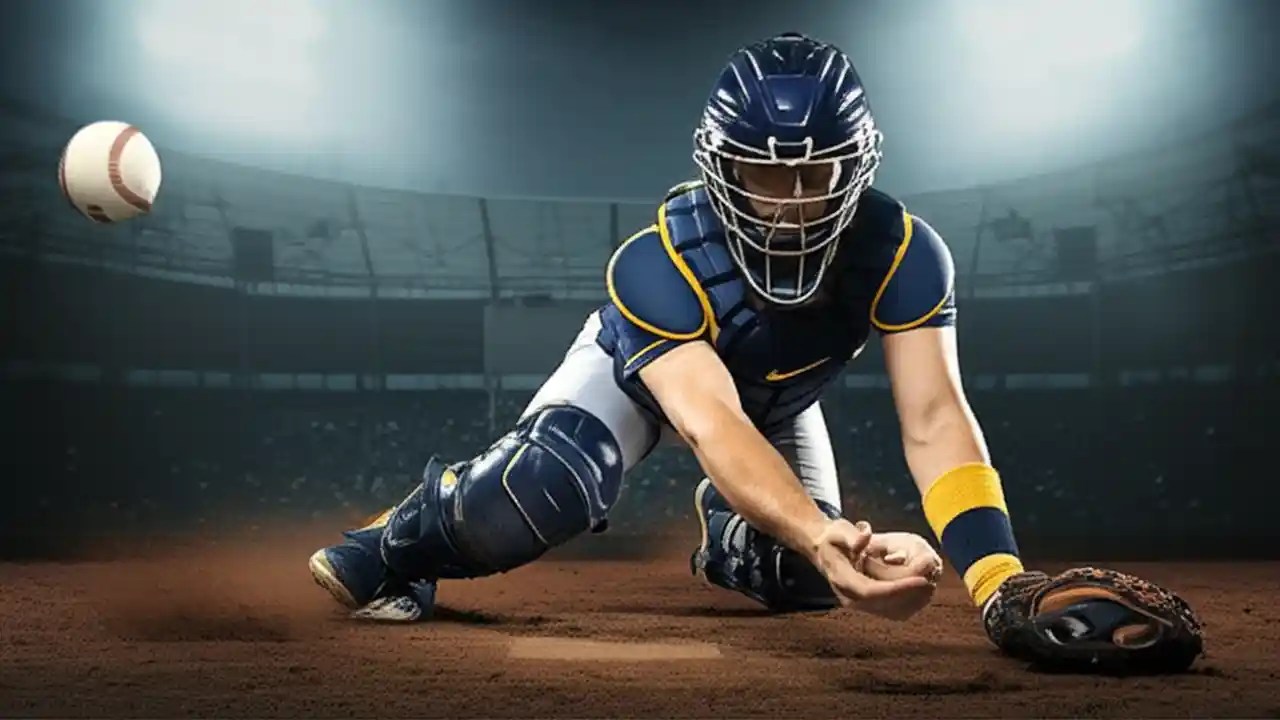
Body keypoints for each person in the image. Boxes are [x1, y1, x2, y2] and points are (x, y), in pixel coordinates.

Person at [309, 32, 1202, 674]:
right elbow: (711, 423)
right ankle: (393, 546)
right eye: (767, 174)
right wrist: (818, 528)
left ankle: (728, 537)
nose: (793, 202)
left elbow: (936, 420)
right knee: (544, 487)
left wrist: (997, 579)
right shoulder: (659, 261)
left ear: (858, 165)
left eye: (817, 173)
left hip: (777, 402)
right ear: (721, 166)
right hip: (648, 383)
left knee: (809, 580)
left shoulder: (903, 252)